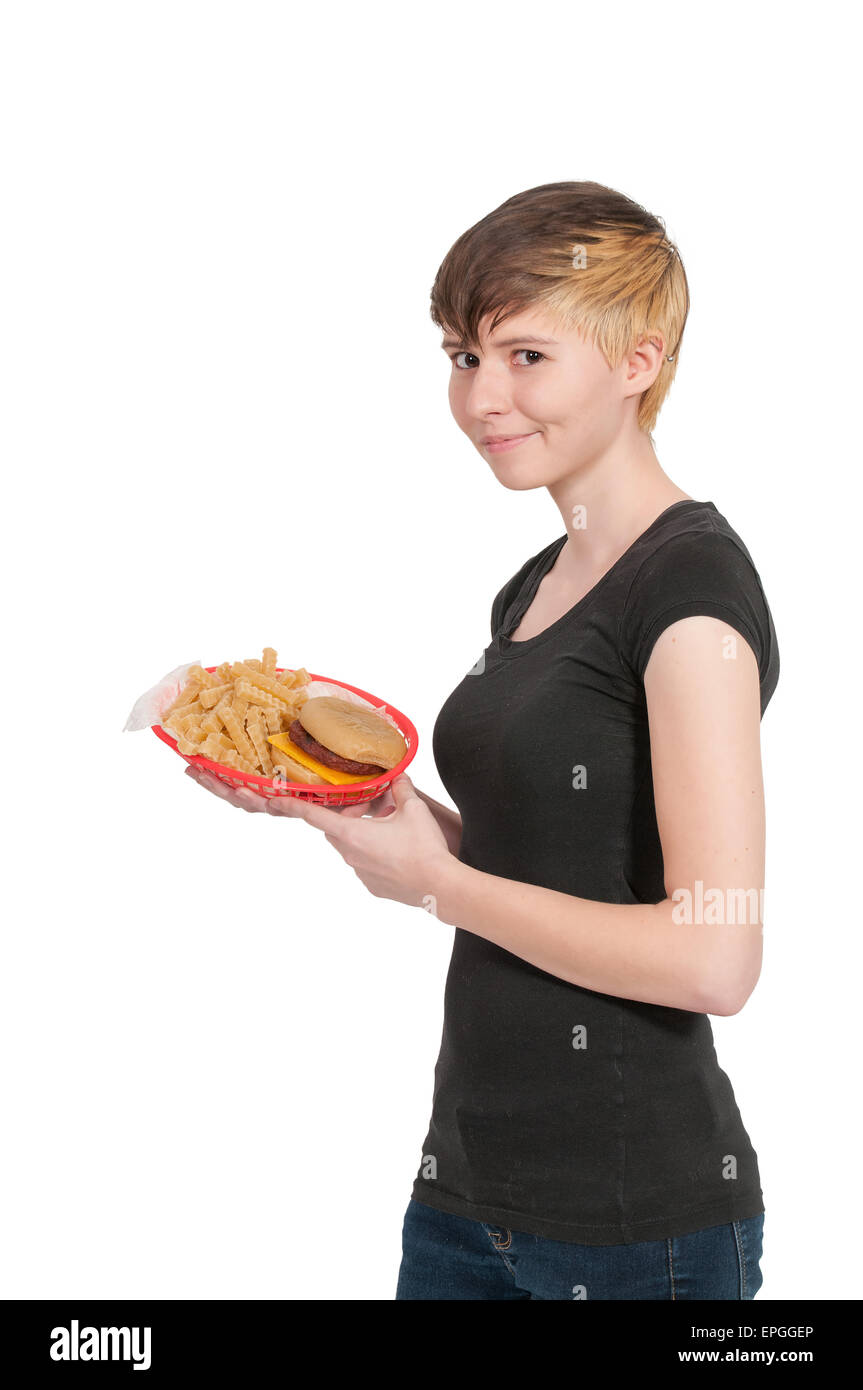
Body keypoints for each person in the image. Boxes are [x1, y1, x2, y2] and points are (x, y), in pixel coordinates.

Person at [187, 181, 778, 1301]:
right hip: (466, 1201)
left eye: (524, 356)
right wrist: (388, 819)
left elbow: (713, 957)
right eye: (462, 356)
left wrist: (435, 887)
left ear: (638, 361)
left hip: (627, 1231)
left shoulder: (689, 589)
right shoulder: (537, 584)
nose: (479, 398)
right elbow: (554, 859)